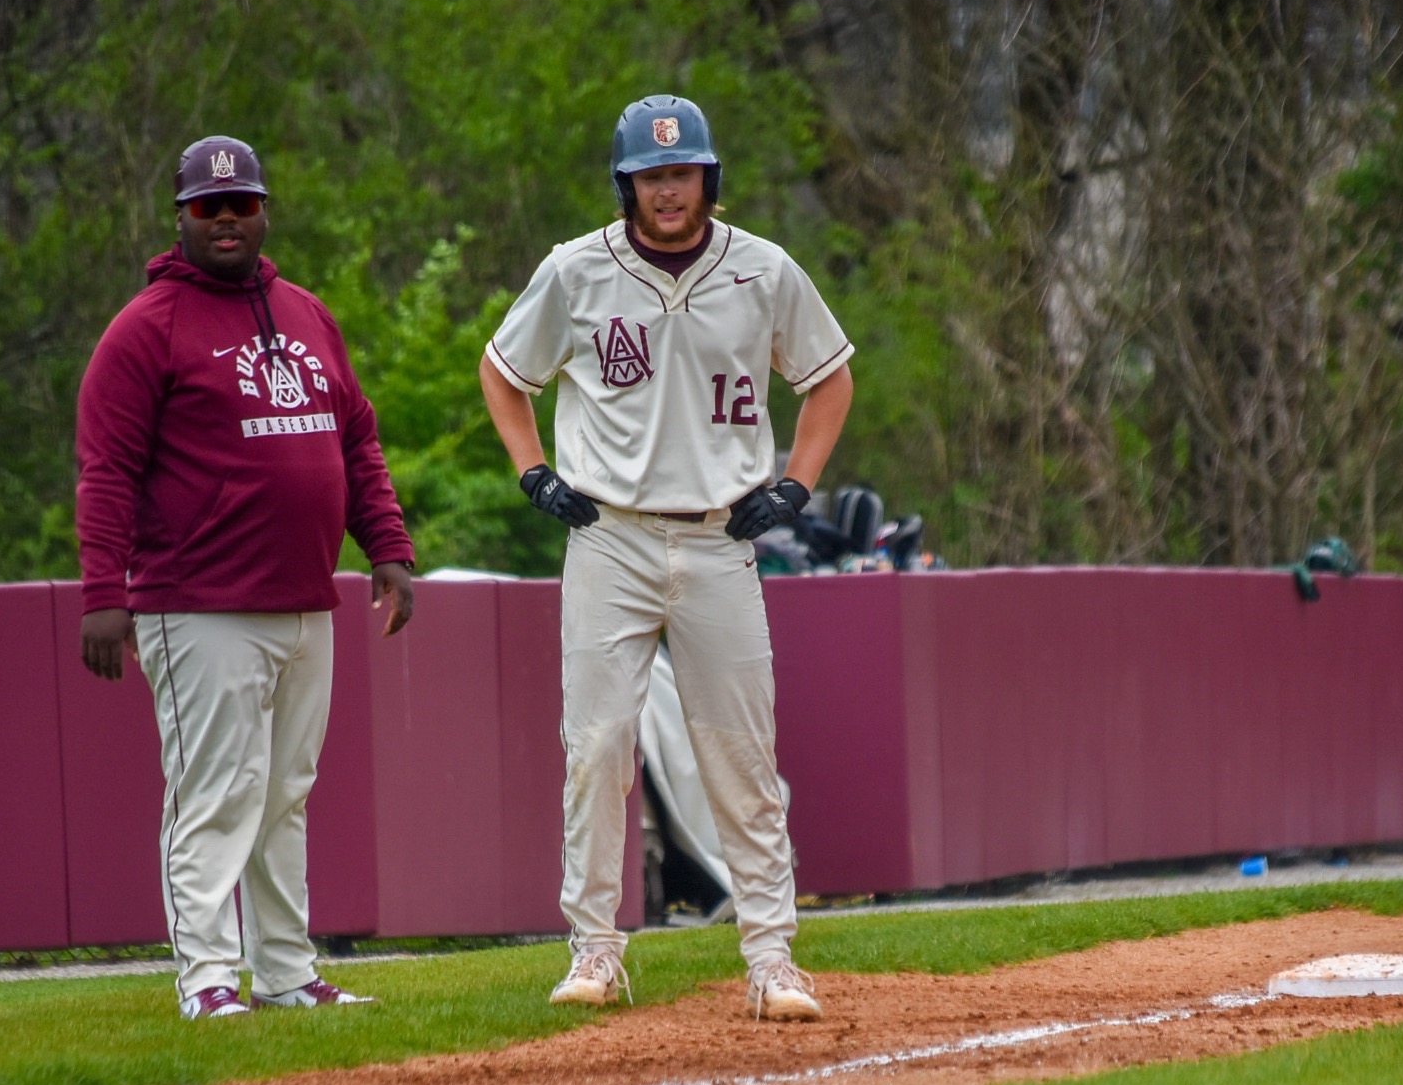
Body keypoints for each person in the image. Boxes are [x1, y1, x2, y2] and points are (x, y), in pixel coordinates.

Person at [478, 95, 855, 1022]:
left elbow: (829, 380)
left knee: (740, 752)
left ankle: (772, 959)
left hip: (721, 534)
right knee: (597, 747)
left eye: (681, 172)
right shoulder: (576, 271)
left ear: (708, 177)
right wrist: (533, 473)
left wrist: (796, 487)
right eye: (651, 176)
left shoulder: (762, 269)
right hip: (609, 534)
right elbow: (502, 371)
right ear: (626, 185)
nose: (668, 190)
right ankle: (596, 949)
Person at [76, 135, 417, 1020]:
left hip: (307, 601)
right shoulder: (144, 329)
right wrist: (104, 597)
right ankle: (207, 981)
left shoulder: (305, 311)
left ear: (265, 213)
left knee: (282, 799)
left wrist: (386, 544)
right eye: (207, 207)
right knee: (217, 794)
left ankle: (289, 973)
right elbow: (106, 471)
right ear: (181, 218)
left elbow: (356, 438)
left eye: (242, 204)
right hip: (198, 606)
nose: (226, 219)